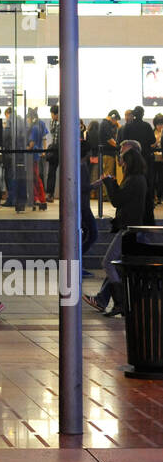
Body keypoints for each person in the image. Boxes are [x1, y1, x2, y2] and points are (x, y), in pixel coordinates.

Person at [83, 143, 149, 317]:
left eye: (124, 161)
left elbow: (117, 200)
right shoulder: (138, 179)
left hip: (129, 229)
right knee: (116, 264)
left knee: (108, 262)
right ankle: (106, 301)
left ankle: (120, 303)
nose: (122, 164)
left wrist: (109, 183)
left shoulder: (134, 180)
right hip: (133, 228)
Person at [117, 106, 156, 222]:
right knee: (146, 188)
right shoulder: (147, 126)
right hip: (145, 161)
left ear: (133, 114)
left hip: (130, 162)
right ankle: (147, 218)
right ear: (143, 115)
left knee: (128, 185)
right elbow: (153, 141)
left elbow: (121, 143)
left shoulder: (127, 127)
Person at [45, 103, 60, 201]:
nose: (51, 116)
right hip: (55, 148)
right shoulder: (53, 122)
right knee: (51, 172)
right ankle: (50, 193)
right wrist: (55, 121)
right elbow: (52, 131)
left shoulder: (65, 121)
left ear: (56, 114)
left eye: (52, 114)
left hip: (62, 149)